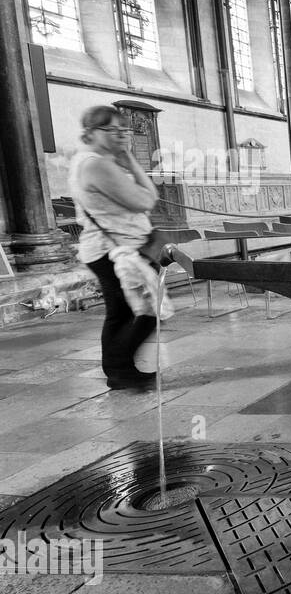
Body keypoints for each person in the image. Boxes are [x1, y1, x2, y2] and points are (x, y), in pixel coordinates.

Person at [70, 105, 161, 390]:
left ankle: (119, 370)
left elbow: (150, 194)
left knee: (121, 312)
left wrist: (127, 156)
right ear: (91, 133)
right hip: (114, 249)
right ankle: (119, 368)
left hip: (114, 247)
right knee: (147, 311)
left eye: (124, 129)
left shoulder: (100, 161)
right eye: (111, 129)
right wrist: (127, 159)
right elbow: (145, 201)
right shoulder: (96, 164)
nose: (121, 134)